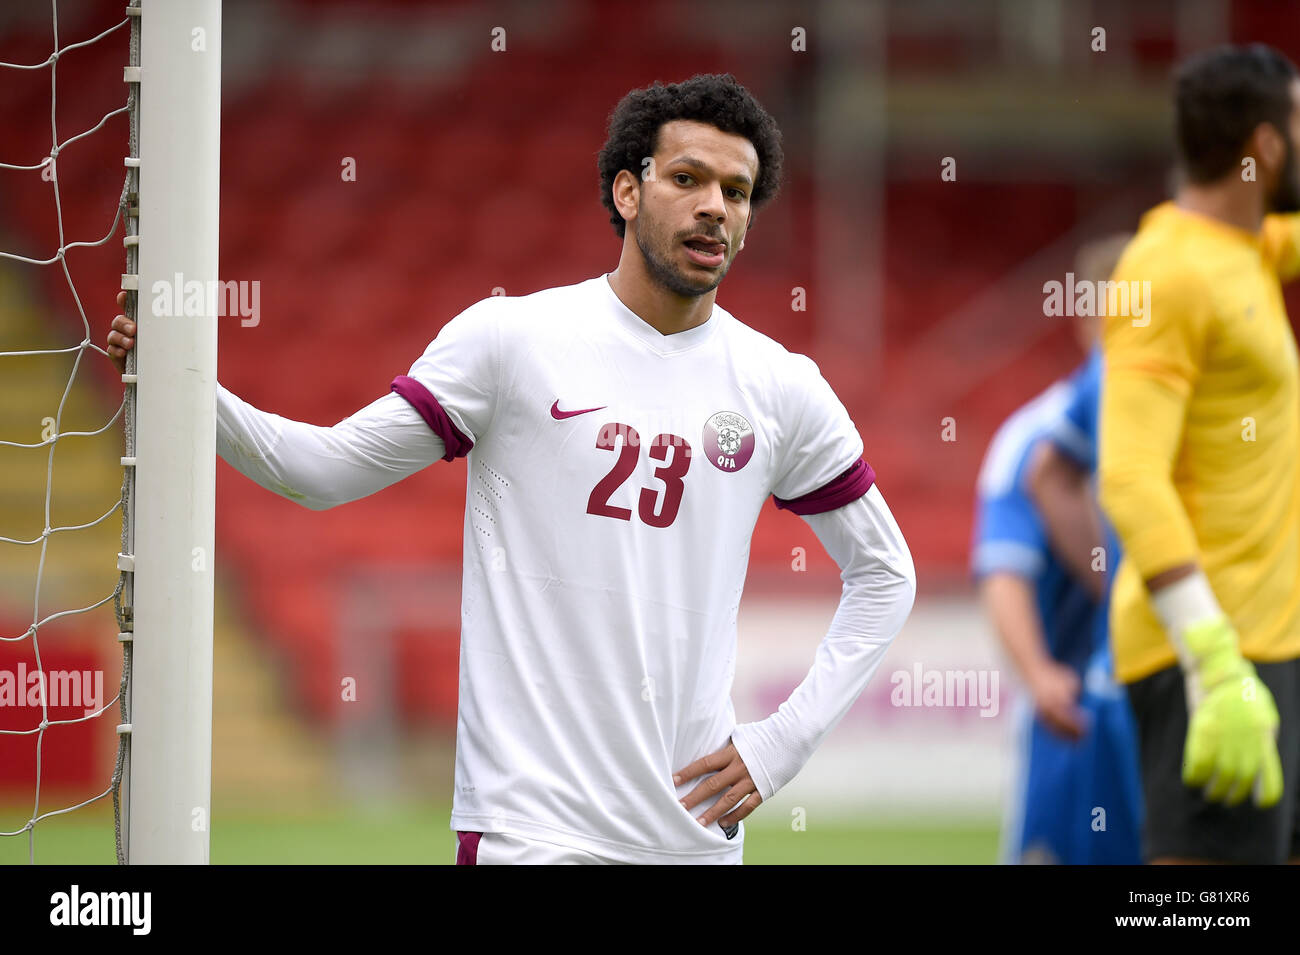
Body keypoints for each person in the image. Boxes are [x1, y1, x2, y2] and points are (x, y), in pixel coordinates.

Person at [106, 73, 916, 865]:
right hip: (532, 828)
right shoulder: (512, 340)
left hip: (691, 835)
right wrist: (185, 385)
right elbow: (321, 470)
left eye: (737, 193)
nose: (715, 206)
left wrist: (780, 744)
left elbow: (884, 574)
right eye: (687, 178)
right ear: (628, 194)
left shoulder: (781, 386)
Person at [1098, 44, 1300, 864]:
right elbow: (1130, 475)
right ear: (1268, 145)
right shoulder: (1170, 271)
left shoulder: (1246, 247)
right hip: (1211, 656)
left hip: (1274, 646)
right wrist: (1211, 660)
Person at [972, 236, 1142, 864]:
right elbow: (1004, 572)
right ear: (1088, 320)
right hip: (1078, 714)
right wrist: (1041, 675)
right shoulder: (1035, 439)